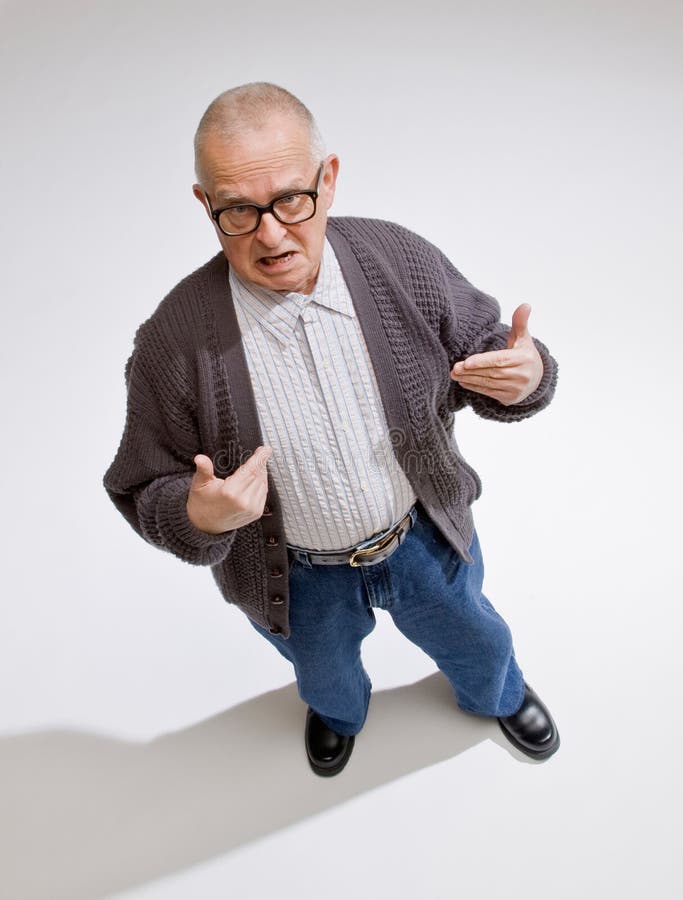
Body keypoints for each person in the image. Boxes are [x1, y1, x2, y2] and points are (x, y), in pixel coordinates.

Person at [104, 82, 560, 777]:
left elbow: (488, 351)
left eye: (291, 199)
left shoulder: (400, 261)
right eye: (236, 211)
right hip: (293, 573)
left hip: (424, 541)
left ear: (329, 179)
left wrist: (527, 378)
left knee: (476, 636)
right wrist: (196, 513)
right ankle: (339, 715)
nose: (270, 234)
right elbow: (143, 485)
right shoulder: (172, 342)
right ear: (205, 204)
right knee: (322, 674)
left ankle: (497, 695)